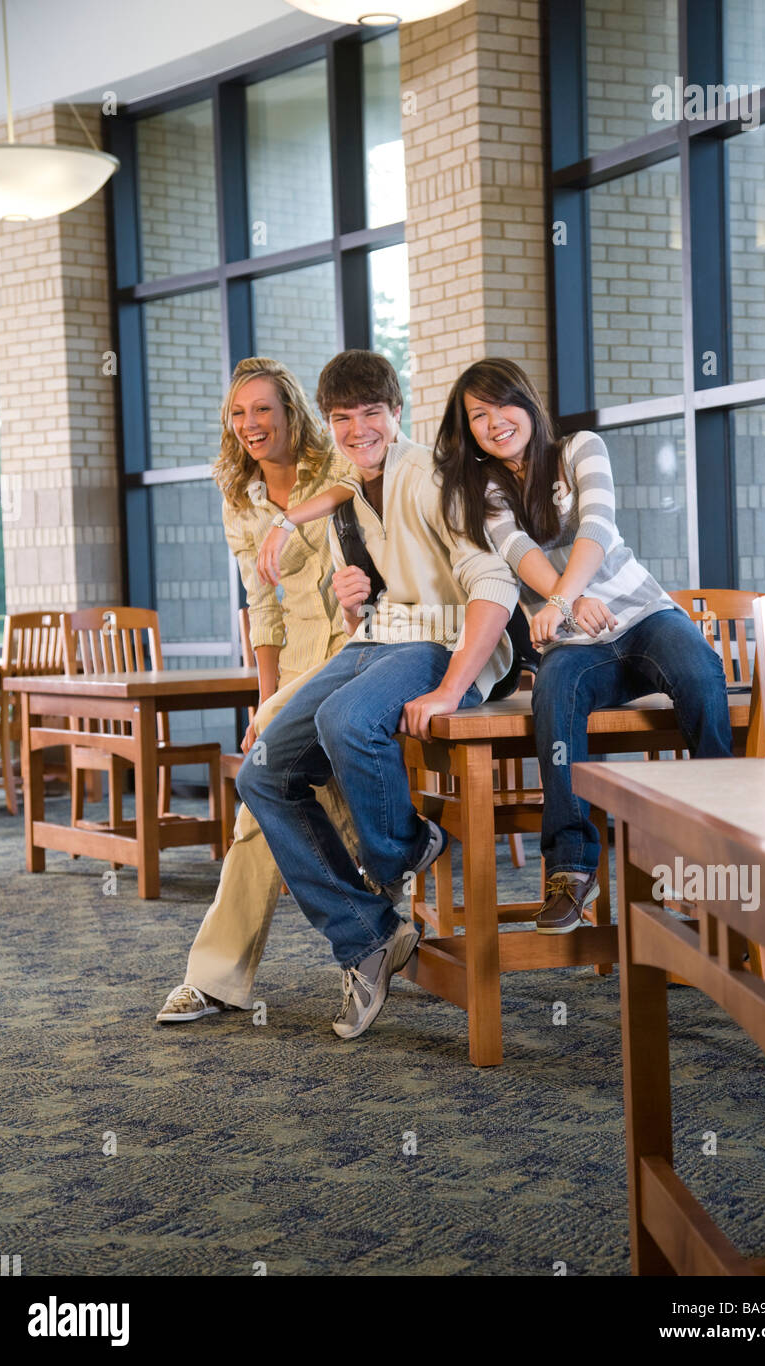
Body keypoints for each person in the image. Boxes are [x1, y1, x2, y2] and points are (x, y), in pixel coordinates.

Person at [235, 350, 520, 1041]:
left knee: (344, 721)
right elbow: (345, 502)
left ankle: (399, 850)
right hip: (379, 640)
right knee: (263, 772)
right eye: (342, 418)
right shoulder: (355, 485)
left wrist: (456, 685)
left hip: (440, 643)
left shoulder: (437, 479)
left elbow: (498, 586)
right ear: (329, 425)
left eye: (372, 413)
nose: (358, 428)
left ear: (397, 412)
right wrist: (295, 532)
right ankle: (368, 937)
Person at [433, 357, 733, 934]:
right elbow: (520, 553)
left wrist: (565, 598)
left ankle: (718, 845)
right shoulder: (486, 490)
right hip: (574, 643)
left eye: (503, 405)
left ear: (528, 402)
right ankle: (571, 868)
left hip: (641, 614)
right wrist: (566, 607)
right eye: (478, 415)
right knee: (555, 691)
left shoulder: (580, 448)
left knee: (698, 671)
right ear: (467, 428)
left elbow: (597, 527)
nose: (495, 421)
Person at [156, 357, 358, 1022]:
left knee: (298, 790)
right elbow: (262, 610)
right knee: (268, 787)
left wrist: (293, 519)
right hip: (300, 663)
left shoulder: (336, 464)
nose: (250, 424)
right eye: (238, 413)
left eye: (262, 410)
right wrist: (263, 704)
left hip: (366, 650)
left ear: (290, 411)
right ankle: (224, 975)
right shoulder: (238, 498)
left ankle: (364, 949)